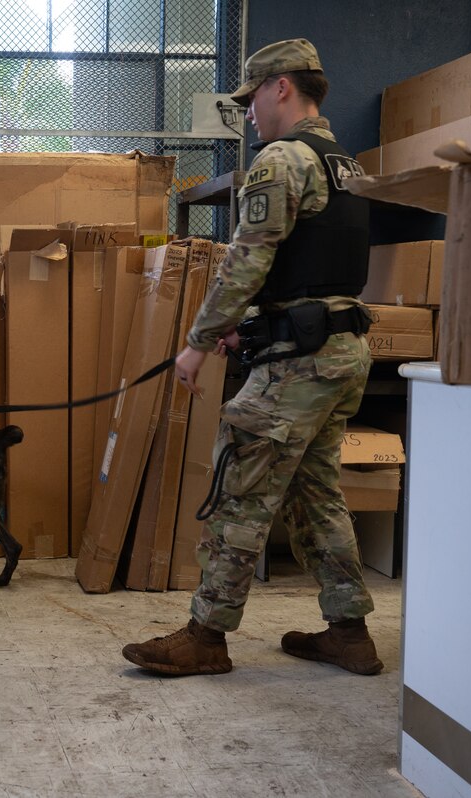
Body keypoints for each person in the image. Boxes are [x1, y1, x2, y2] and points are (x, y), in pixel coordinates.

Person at [122, 38, 384, 677]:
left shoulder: (281, 161)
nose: (247, 115)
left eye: (252, 99)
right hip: (339, 352)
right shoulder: (343, 163)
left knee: (239, 490)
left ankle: (206, 638)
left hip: (300, 362)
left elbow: (246, 262)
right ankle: (349, 632)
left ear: (282, 89)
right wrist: (257, 328)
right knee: (316, 492)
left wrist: (198, 342)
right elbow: (313, 270)